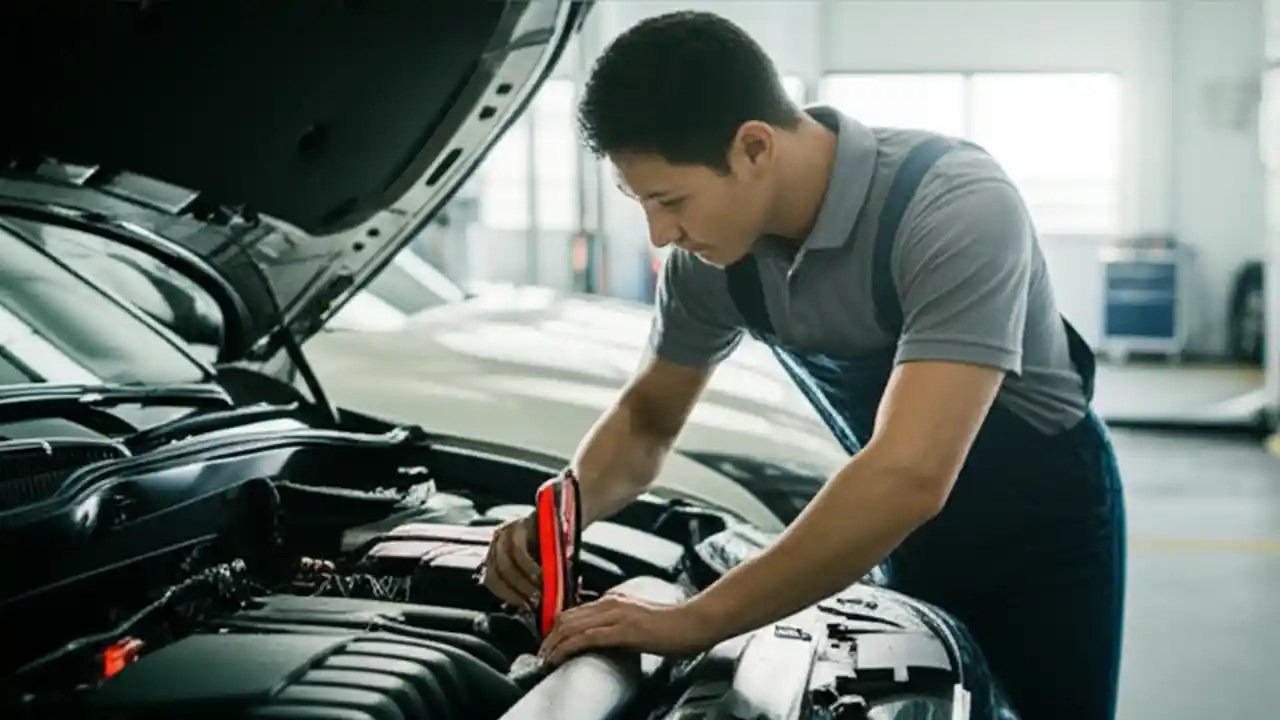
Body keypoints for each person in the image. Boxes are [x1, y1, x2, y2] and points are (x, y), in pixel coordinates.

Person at [479, 10, 1126, 719]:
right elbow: (647, 418)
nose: (661, 233)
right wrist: (560, 516)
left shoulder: (955, 207)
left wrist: (694, 620)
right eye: (641, 204)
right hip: (897, 520)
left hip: (1042, 527)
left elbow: (910, 473)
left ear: (754, 147)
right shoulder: (710, 258)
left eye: (670, 200)